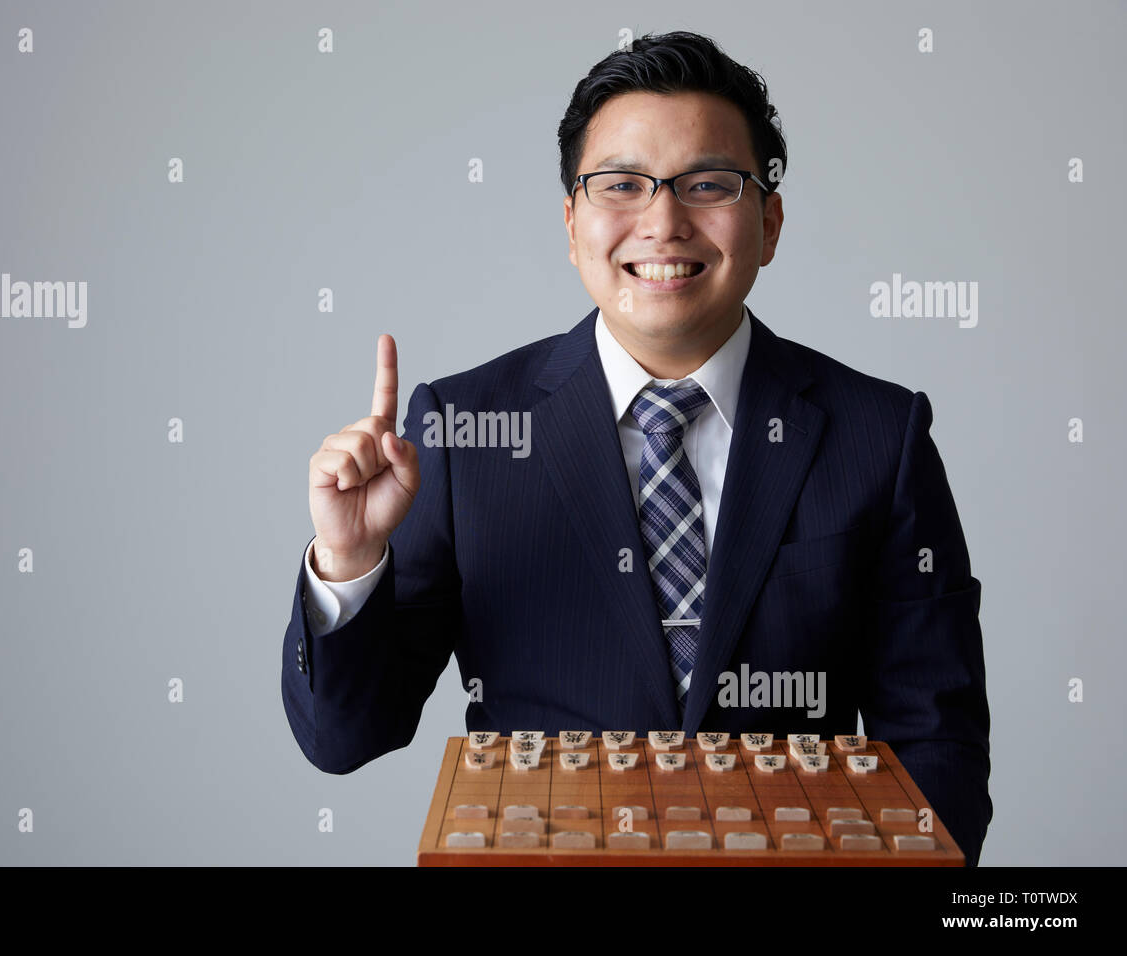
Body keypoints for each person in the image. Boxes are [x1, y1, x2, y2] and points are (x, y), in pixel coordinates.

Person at [280, 31, 992, 866]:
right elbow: (345, 737)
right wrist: (350, 559)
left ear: (768, 223)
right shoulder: (464, 429)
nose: (663, 221)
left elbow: (936, 746)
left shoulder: (879, 434)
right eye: (622, 184)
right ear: (572, 219)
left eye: (707, 184)